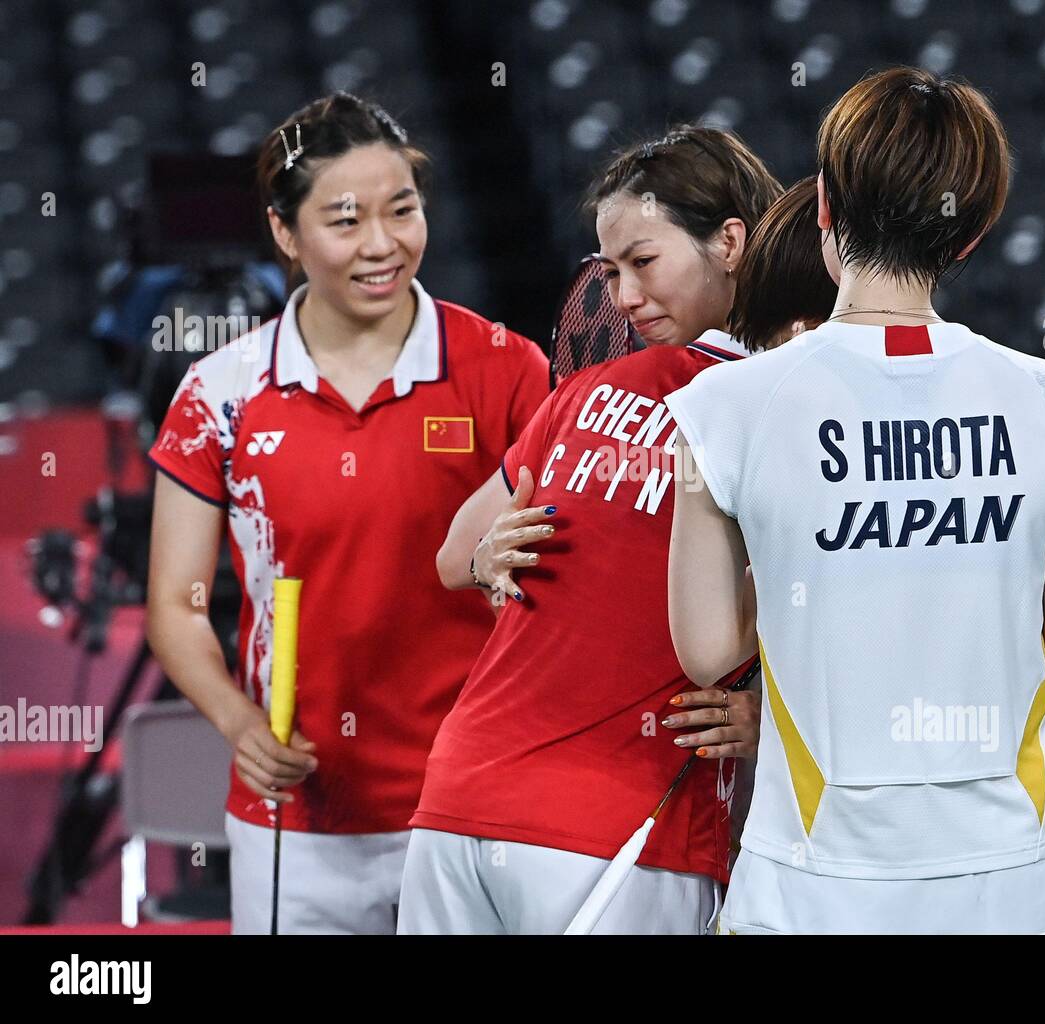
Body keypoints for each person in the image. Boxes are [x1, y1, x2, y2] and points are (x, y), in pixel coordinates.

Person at [663, 67, 1045, 935]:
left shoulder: (723, 410)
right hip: (1029, 885)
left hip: (817, 887)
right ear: (973, 234)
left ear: (825, 207)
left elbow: (708, 647)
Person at [397, 143, 834, 935]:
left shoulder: (588, 391)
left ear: (731, 244)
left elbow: (453, 553)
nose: (625, 296)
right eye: (608, 272)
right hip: (620, 829)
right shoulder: (786, 417)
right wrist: (771, 712)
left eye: (641, 261)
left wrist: (486, 560)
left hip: (456, 807)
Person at [144, 92, 549, 934]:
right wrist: (238, 723)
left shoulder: (508, 369)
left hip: (476, 805)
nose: (381, 244)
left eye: (403, 210)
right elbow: (175, 607)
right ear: (286, 235)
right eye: (344, 219)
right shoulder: (219, 394)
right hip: (299, 824)